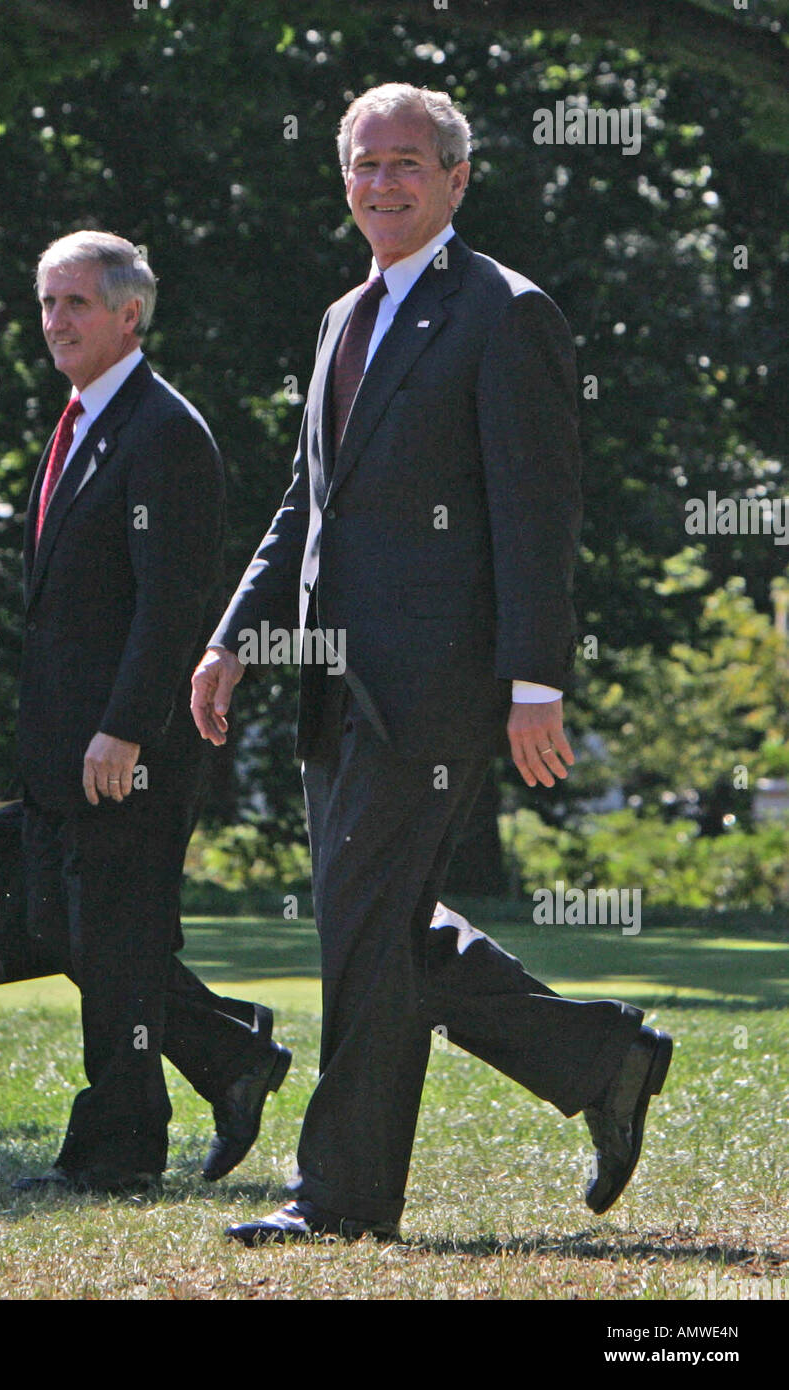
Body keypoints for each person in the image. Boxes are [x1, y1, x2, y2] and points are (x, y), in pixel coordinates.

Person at [191, 84, 671, 1242]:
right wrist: (231, 635)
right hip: (331, 682)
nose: (381, 182)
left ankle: (342, 1201)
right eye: (363, 163)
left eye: (407, 162)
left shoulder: (506, 313)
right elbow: (306, 503)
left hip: (435, 691)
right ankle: (603, 1057)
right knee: (386, 931)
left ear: (456, 178)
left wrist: (535, 682)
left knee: (363, 930)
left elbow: (536, 509)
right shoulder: (338, 316)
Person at [14, 230, 290, 1196]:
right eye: (47, 303)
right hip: (70, 741)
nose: (54, 322)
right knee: (80, 930)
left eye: (75, 304)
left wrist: (126, 726)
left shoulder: (164, 430)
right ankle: (229, 1056)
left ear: (129, 316)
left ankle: (120, 1148)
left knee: (116, 939)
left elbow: (175, 604)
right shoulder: (84, 419)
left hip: (130, 744)